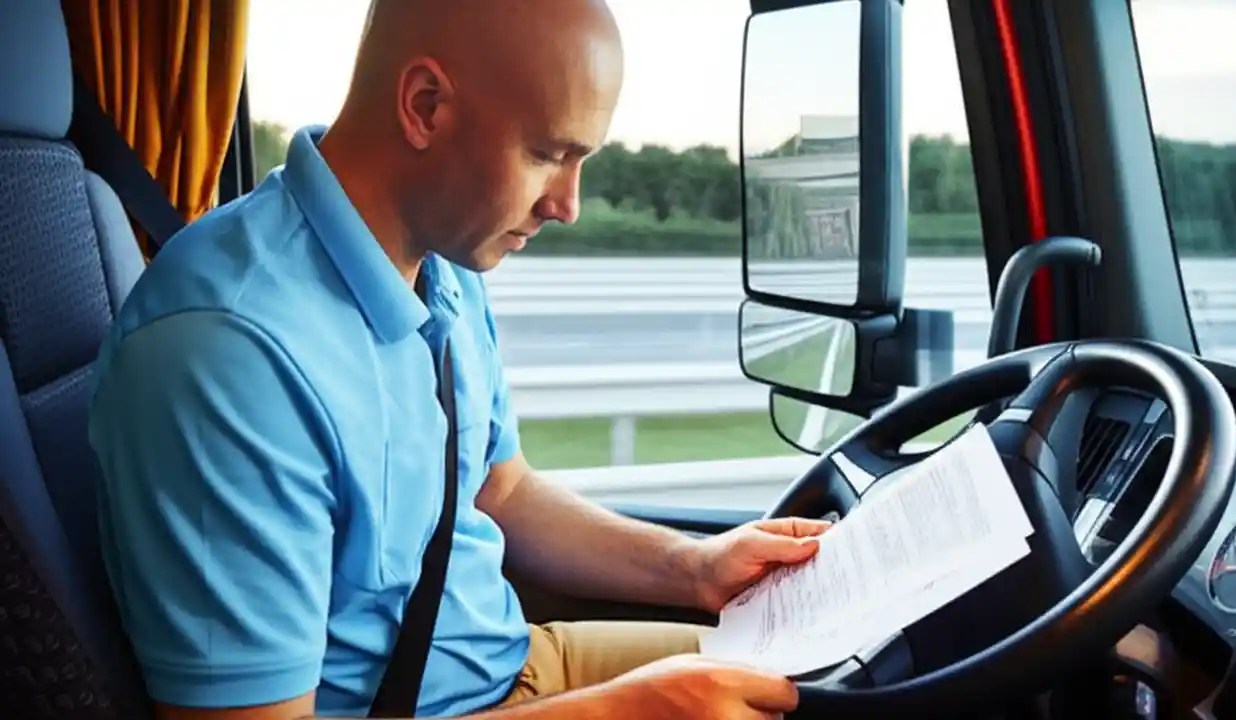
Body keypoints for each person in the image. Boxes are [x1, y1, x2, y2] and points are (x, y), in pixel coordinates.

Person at [88, 0, 830, 718]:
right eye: (548, 154)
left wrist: (696, 568)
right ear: (425, 106)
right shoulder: (227, 357)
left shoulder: (444, 262)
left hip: (517, 662)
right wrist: (620, 713)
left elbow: (497, 492)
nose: (568, 205)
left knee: (837, 681)